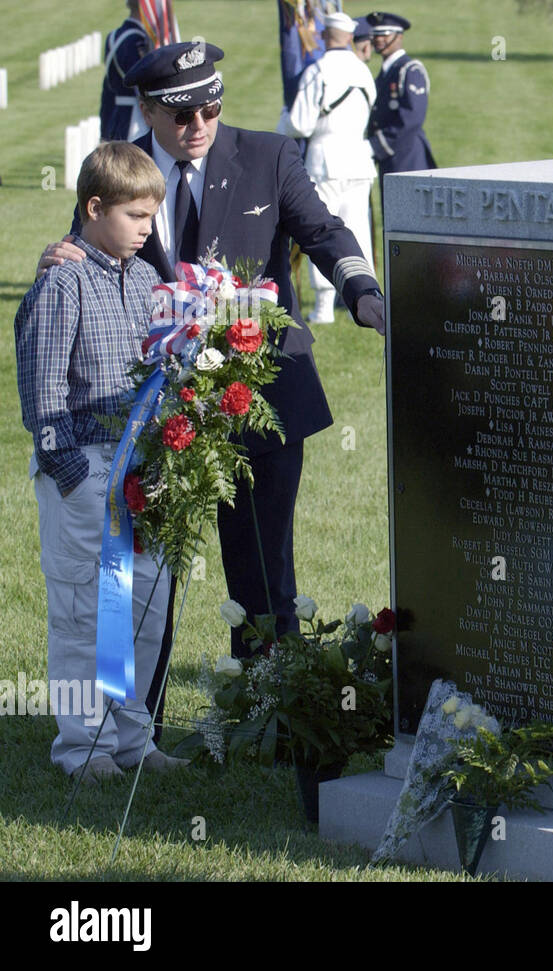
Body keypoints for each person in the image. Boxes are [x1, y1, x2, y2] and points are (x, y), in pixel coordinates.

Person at [38, 41, 385, 736]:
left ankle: (267, 715)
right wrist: (60, 249)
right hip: (156, 405)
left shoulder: (268, 157)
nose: (200, 122)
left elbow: (325, 229)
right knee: (141, 576)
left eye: (212, 107)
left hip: (261, 396)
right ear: (149, 111)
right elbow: (92, 239)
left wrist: (358, 284)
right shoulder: (127, 164)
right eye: (182, 111)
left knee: (261, 565)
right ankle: (135, 722)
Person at [15, 143, 186, 781]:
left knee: (142, 605)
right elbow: (42, 393)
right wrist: (72, 475)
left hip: (143, 471)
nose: (148, 229)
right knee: (84, 611)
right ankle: (81, 746)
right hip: (84, 468)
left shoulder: (144, 280)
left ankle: (132, 738)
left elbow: (159, 375)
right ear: (94, 207)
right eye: (136, 215)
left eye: (153, 216)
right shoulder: (63, 282)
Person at [278, 12, 377, 323]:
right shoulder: (363, 71)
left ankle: (323, 306)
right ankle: (361, 300)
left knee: (320, 230)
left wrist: (285, 116)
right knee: (357, 229)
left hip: (325, 158)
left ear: (323, 36)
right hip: (359, 159)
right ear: (349, 38)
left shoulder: (318, 70)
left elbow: (301, 123)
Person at [365, 11, 436, 202]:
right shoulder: (386, 72)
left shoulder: (410, 70)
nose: (379, 39)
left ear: (399, 36)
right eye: (376, 35)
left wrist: (376, 145)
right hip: (390, 157)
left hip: (407, 157)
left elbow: (412, 118)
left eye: (385, 34)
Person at [99, 0, 150, 143]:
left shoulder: (114, 35)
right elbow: (141, 86)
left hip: (115, 116)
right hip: (136, 122)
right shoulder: (137, 41)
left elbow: (108, 87)